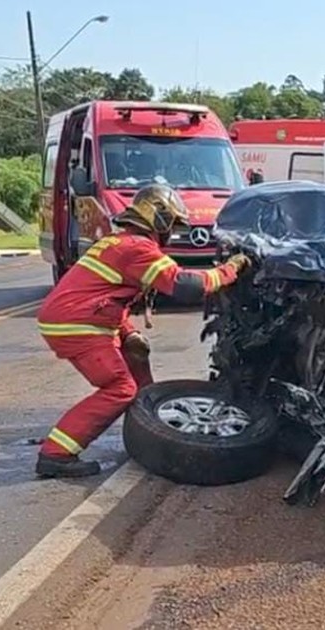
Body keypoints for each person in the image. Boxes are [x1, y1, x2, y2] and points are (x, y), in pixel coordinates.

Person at [34, 184, 252, 478]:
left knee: (137, 356)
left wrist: (126, 333)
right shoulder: (138, 248)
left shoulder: (120, 242)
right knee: (119, 388)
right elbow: (185, 286)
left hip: (78, 318)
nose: (171, 233)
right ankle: (56, 455)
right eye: (171, 225)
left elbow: (106, 293)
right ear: (158, 218)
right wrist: (231, 270)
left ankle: (147, 425)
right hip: (78, 325)